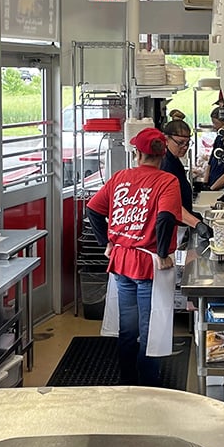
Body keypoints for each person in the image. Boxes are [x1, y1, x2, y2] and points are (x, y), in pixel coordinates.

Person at [86, 127, 182, 385]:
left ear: (137, 154)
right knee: (149, 330)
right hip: (148, 264)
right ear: (162, 156)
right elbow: (165, 218)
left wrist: (105, 243)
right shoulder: (166, 181)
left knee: (127, 329)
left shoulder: (119, 178)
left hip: (121, 261)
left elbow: (93, 209)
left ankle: (127, 383)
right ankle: (149, 387)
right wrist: (162, 253)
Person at [161, 115, 212, 238]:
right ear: (166, 139)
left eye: (187, 143)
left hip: (181, 221)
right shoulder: (165, 165)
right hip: (172, 226)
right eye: (180, 143)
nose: (185, 147)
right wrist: (196, 223)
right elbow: (170, 204)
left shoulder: (174, 160)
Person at [205, 107, 224, 191]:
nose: (214, 126)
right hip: (213, 184)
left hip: (222, 187)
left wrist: (212, 188)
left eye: (215, 123)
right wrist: (205, 183)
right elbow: (210, 162)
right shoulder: (219, 138)